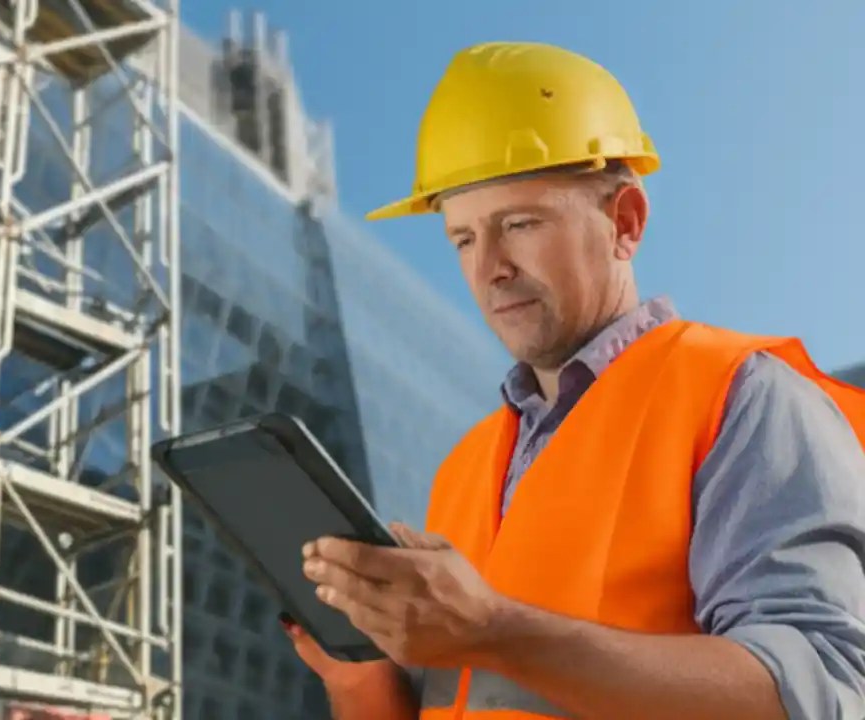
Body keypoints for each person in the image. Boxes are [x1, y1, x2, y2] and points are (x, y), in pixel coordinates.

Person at [282, 41, 865, 719]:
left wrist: (496, 631)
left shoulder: (743, 396)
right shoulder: (465, 470)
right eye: (464, 240)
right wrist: (361, 680)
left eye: (519, 224)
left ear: (625, 222)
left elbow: (824, 695)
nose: (489, 267)